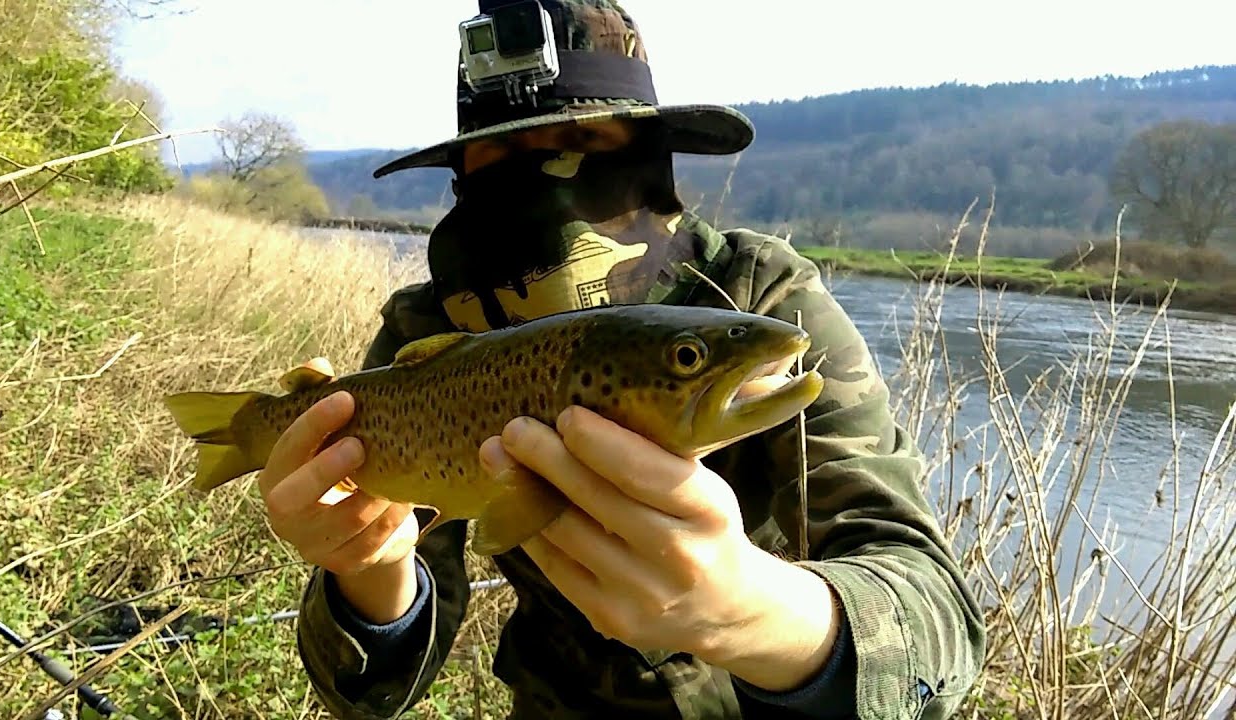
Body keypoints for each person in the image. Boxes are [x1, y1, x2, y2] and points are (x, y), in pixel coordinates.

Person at [257, 1, 985, 718]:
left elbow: (931, 601)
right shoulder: (427, 332)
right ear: (464, 173)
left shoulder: (759, 302)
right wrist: (371, 570)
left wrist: (750, 614)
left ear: (646, 152)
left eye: (584, 140)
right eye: (504, 153)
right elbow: (369, 694)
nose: (545, 177)